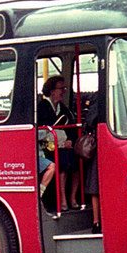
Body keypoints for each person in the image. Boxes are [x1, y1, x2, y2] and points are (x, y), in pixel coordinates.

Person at [37, 75, 80, 211]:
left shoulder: (62, 108)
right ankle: (62, 199)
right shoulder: (42, 107)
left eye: (64, 88)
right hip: (47, 146)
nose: (63, 91)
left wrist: (70, 141)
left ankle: (73, 197)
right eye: (61, 88)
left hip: (62, 145)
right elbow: (43, 132)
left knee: (77, 159)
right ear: (52, 91)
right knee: (64, 159)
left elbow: (71, 126)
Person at [82, 95, 101, 233]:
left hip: (100, 142)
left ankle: (96, 221)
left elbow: (89, 121)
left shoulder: (97, 97)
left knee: (95, 184)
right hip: (110, 143)